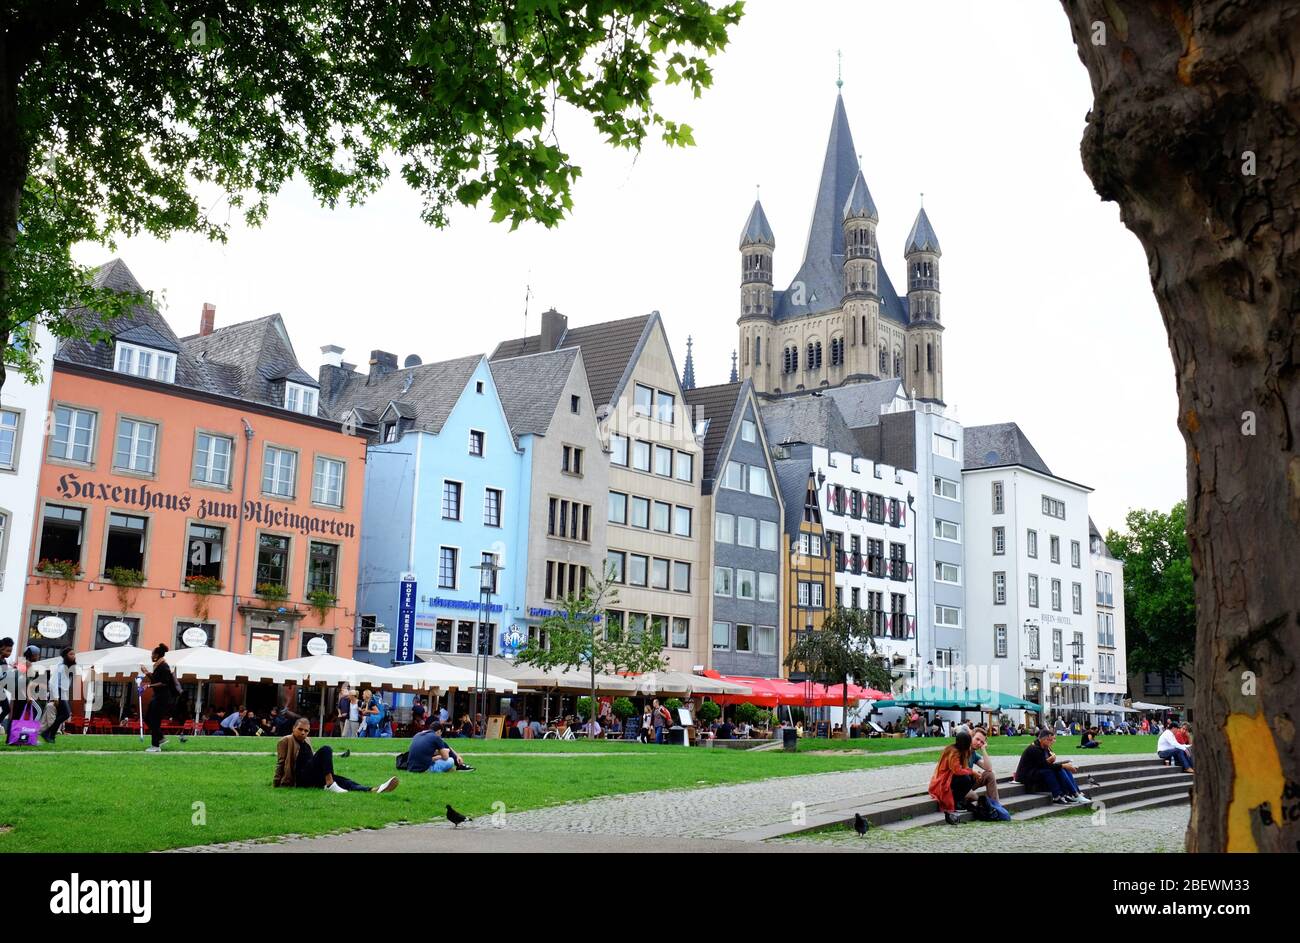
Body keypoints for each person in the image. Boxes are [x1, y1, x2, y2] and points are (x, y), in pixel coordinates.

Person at [275, 717, 399, 792]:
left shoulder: (308, 740)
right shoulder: (286, 740)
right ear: (293, 729)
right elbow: (280, 763)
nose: (303, 733)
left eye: (306, 731)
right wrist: (277, 783)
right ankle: (330, 783)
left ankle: (372, 789)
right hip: (301, 778)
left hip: (312, 775)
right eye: (300, 729)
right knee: (326, 749)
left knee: (343, 780)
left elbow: (311, 759)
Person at [1014, 729, 1088, 804]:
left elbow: (1044, 764)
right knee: (1055, 769)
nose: (1053, 742)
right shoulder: (1034, 749)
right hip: (1026, 775)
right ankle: (1060, 796)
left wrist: (1054, 761)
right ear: (1044, 739)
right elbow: (1045, 765)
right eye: (1051, 740)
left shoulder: (1045, 747)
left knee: (1063, 769)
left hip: (1036, 770)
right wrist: (1063, 765)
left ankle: (1073, 793)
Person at [928, 730, 980, 816]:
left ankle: (960, 799)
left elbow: (963, 768)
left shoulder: (960, 750)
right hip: (943, 781)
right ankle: (957, 802)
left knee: (971, 777)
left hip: (951, 777)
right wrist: (972, 772)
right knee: (966, 778)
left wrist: (973, 773)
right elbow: (957, 771)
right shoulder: (954, 752)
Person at [140, 644, 176, 752]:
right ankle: (160, 738)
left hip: (163, 698)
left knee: (155, 721)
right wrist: (146, 672)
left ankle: (155, 746)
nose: (151, 656)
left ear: (156, 655)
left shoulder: (164, 666)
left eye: (152, 654)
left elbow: (164, 683)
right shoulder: (158, 666)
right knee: (147, 718)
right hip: (157, 696)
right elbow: (156, 680)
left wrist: (148, 685)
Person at [41, 647, 77, 743]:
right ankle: (47, 733)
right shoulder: (60, 667)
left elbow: (66, 684)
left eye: (74, 654)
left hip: (63, 693)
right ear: (65, 656)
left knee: (62, 715)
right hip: (58, 693)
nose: (73, 656)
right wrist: (56, 697)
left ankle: (51, 736)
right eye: (71, 654)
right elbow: (52, 682)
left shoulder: (69, 667)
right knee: (66, 714)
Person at [0, 637, 13, 736]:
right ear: (1, 649)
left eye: (11, 651)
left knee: (7, 709)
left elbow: (5, 676)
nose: (9, 653)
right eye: (8, 651)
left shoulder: (4, 661)